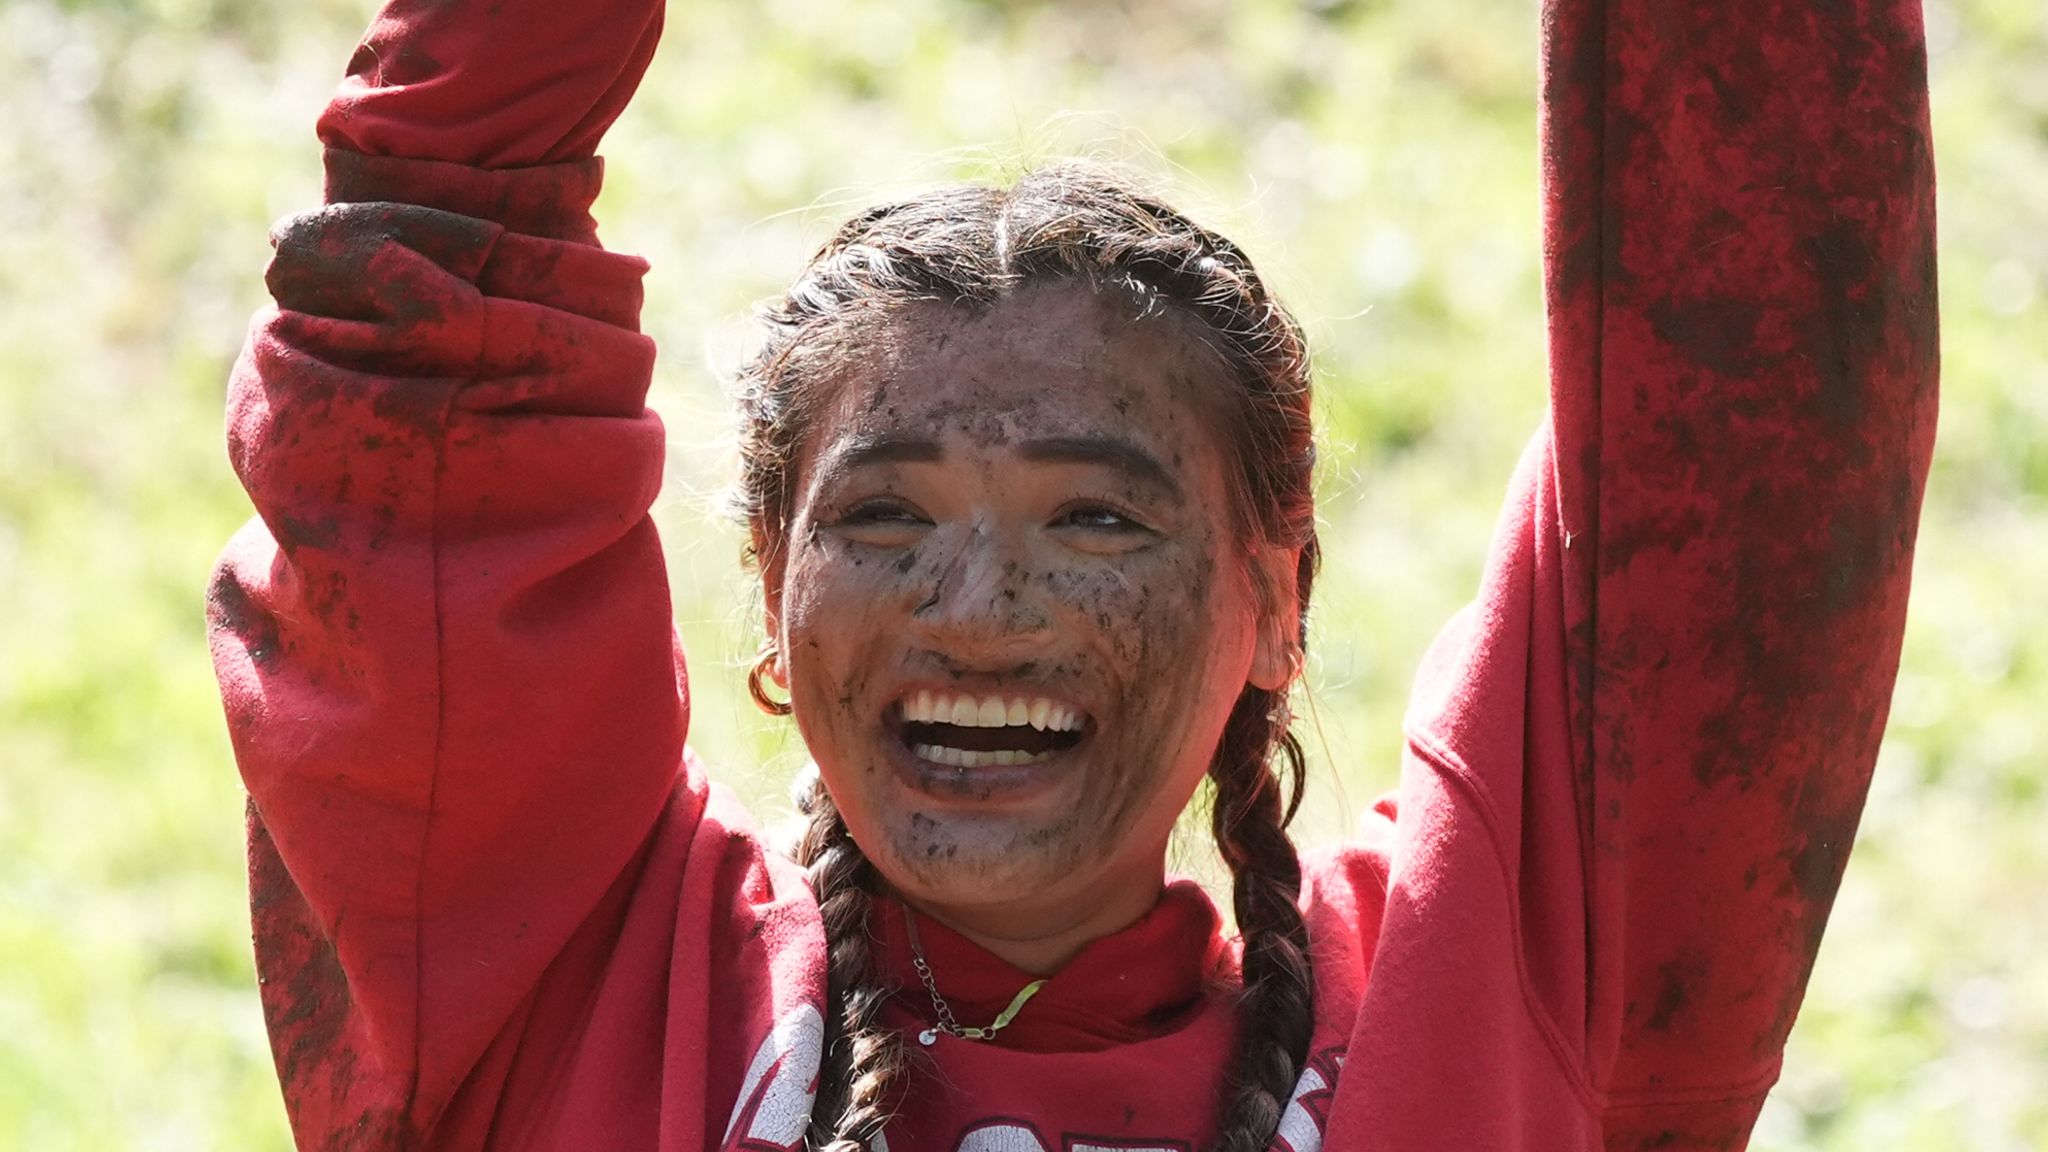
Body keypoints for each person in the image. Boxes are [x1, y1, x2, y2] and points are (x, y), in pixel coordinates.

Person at [205, 0, 1939, 1148]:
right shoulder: (550, 977)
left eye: (1094, 520)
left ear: (1277, 598)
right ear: (769, 595)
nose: (976, 604)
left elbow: (1756, 363)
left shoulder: (1507, 997)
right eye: (882, 521)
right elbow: (421, 342)